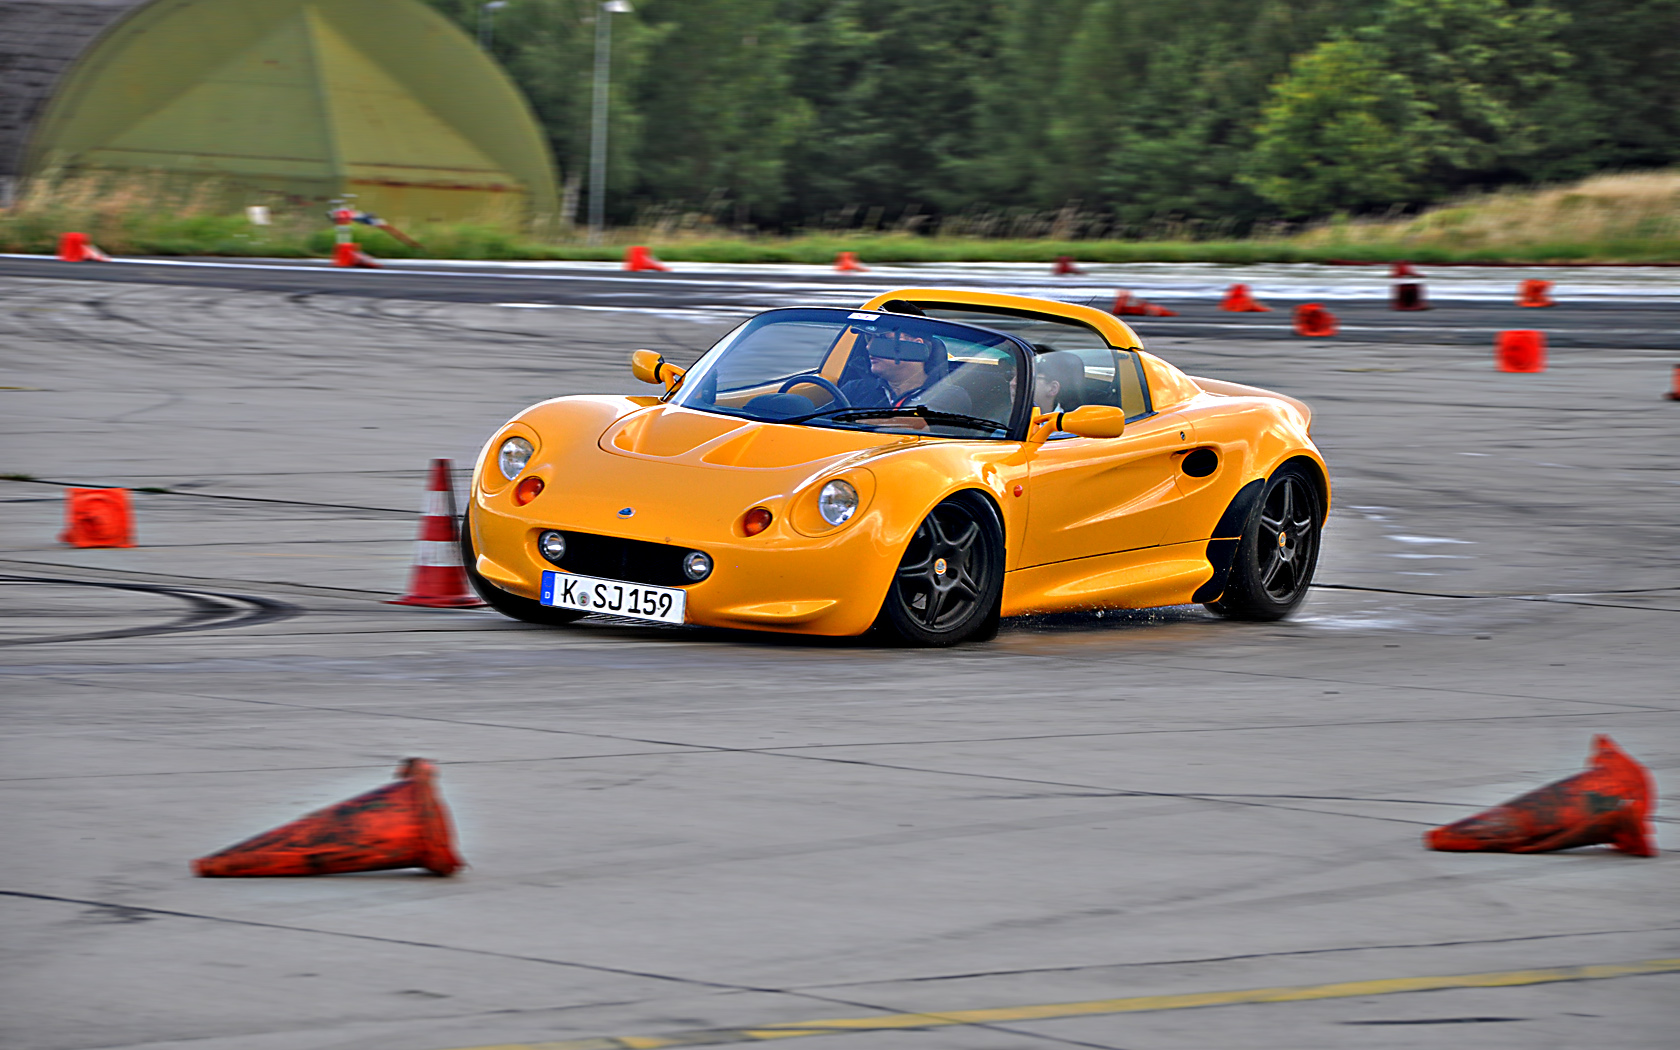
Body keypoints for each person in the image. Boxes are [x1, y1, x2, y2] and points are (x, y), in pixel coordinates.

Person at [840, 328, 973, 416]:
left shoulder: (949, 396)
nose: (869, 347)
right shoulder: (854, 389)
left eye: (883, 339)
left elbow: (916, 429)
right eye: (869, 339)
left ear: (916, 346)